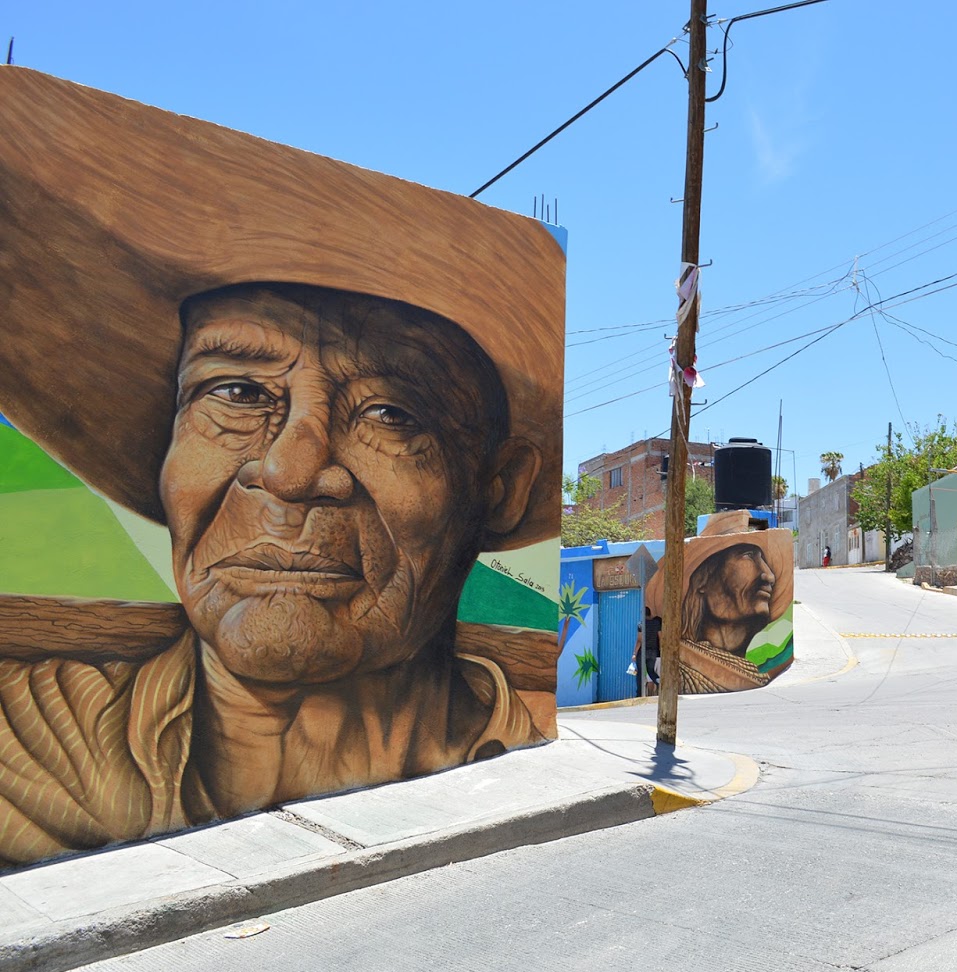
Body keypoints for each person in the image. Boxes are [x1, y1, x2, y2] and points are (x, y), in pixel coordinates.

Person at [0, 68, 564, 865]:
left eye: (390, 413)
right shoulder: (29, 743)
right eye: (235, 392)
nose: (293, 473)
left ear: (496, 492)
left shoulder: (520, 735)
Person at [680, 542, 778, 693]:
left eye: (762, 559)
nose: (769, 576)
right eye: (749, 556)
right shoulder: (681, 669)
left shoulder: (754, 673)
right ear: (704, 580)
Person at [632, 607, 662, 696]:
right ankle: (659, 682)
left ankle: (639, 694)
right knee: (651, 671)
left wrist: (634, 653)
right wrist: (660, 649)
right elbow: (660, 637)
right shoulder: (656, 623)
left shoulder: (641, 624)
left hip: (643, 651)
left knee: (640, 673)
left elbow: (639, 640)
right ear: (650, 613)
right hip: (653, 651)